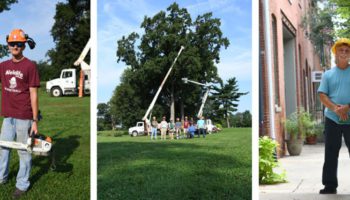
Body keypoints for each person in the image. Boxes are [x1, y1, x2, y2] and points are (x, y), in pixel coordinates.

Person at [0, 29, 40, 198]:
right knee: (3, 148)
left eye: (19, 44)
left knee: (23, 150)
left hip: (24, 116)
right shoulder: (2, 66)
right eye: (12, 43)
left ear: (24, 45)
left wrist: (35, 120)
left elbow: (33, 94)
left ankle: (22, 185)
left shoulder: (30, 66)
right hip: (8, 116)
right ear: (8, 45)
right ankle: (1, 177)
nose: (15, 46)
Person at [317, 38, 350, 194]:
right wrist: (336, 109)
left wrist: (347, 107)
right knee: (330, 152)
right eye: (341, 50)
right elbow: (322, 95)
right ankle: (330, 186)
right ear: (335, 53)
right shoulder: (328, 75)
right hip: (332, 118)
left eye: (347, 50)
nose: (344, 53)